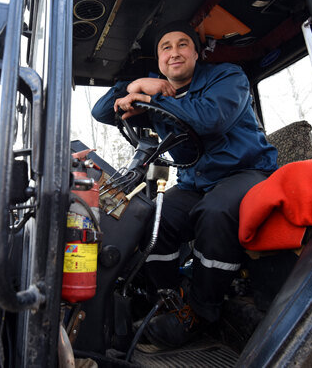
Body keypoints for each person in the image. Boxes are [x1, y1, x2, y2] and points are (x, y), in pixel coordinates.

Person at [91, 21, 277, 348]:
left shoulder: (227, 77)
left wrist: (150, 96)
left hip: (247, 173)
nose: (174, 52)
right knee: (149, 218)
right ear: (159, 59)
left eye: (182, 45)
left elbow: (209, 119)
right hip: (195, 182)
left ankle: (203, 311)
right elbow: (102, 111)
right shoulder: (155, 89)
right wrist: (137, 83)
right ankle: (173, 299)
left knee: (215, 212)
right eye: (166, 47)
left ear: (195, 53)